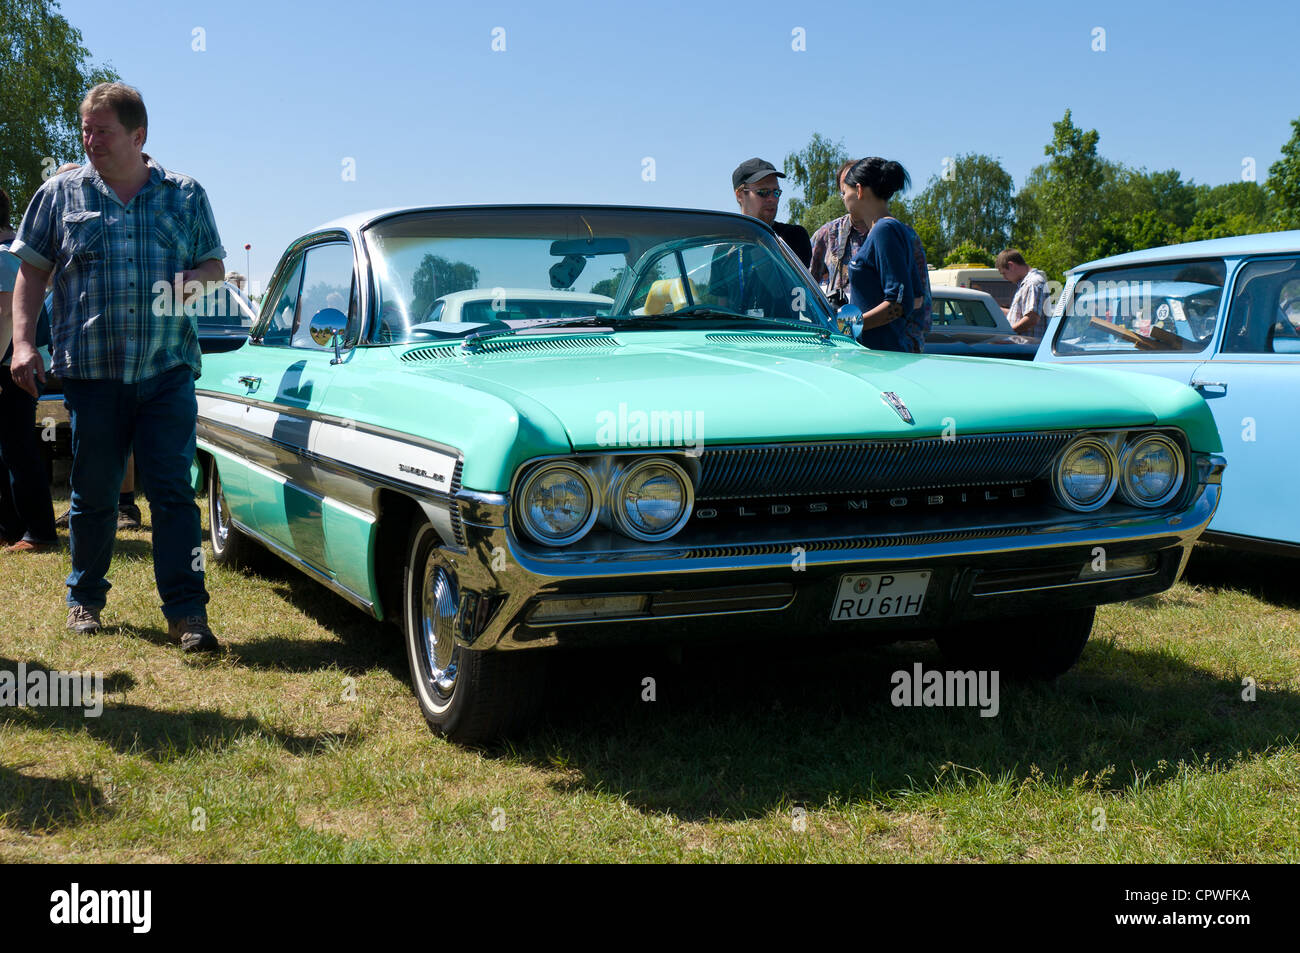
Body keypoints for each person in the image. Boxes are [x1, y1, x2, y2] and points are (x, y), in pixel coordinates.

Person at [7, 82, 226, 651]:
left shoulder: (185, 195)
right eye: (85, 129)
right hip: (93, 374)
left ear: (138, 135)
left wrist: (182, 287)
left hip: (166, 371)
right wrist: (25, 345)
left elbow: (214, 269)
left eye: (101, 130)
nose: (89, 139)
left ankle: (187, 613)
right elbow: (30, 273)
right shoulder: (59, 194)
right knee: (94, 492)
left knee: (174, 493)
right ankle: (84, 597)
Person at [0, 187, 58, 553]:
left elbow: (6, 315)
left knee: (17, 449)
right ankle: (13, 526)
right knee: (8, 449)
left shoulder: (6, 258)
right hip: (11, 365)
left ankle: (38, 531)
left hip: (11, 367)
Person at [841, 157, 930, 352]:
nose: (843, 198)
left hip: (880, 356)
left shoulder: (885, 230)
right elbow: (914, 297)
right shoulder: (888, 230)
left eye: (844, 192)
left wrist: (847, 328)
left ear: (859, 190)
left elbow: (897, 304)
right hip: (880, 353)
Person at [731, 158, 812, 267]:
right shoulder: (724, 249)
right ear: (740, 195)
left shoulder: (793, 237)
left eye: (776, 192)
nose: (772, 199)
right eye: (763, 192)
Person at [809, 161, 867, 308]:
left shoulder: (893, 235)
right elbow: (806, 289)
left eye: (854, 184)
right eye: (844, 190)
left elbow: (920, 307)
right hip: (836, 328)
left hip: (879, 328)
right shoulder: (827, 234)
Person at [997, 249, 1052, 337]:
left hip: (1030, 347)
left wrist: (1008, 332)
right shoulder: (1026, 284)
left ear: (1011, 265)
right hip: (1026, 347)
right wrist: (997, 310)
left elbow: (1032, 318)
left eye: (1004, 273)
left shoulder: (1033, 283)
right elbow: (1023, 314)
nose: (1004, 277)